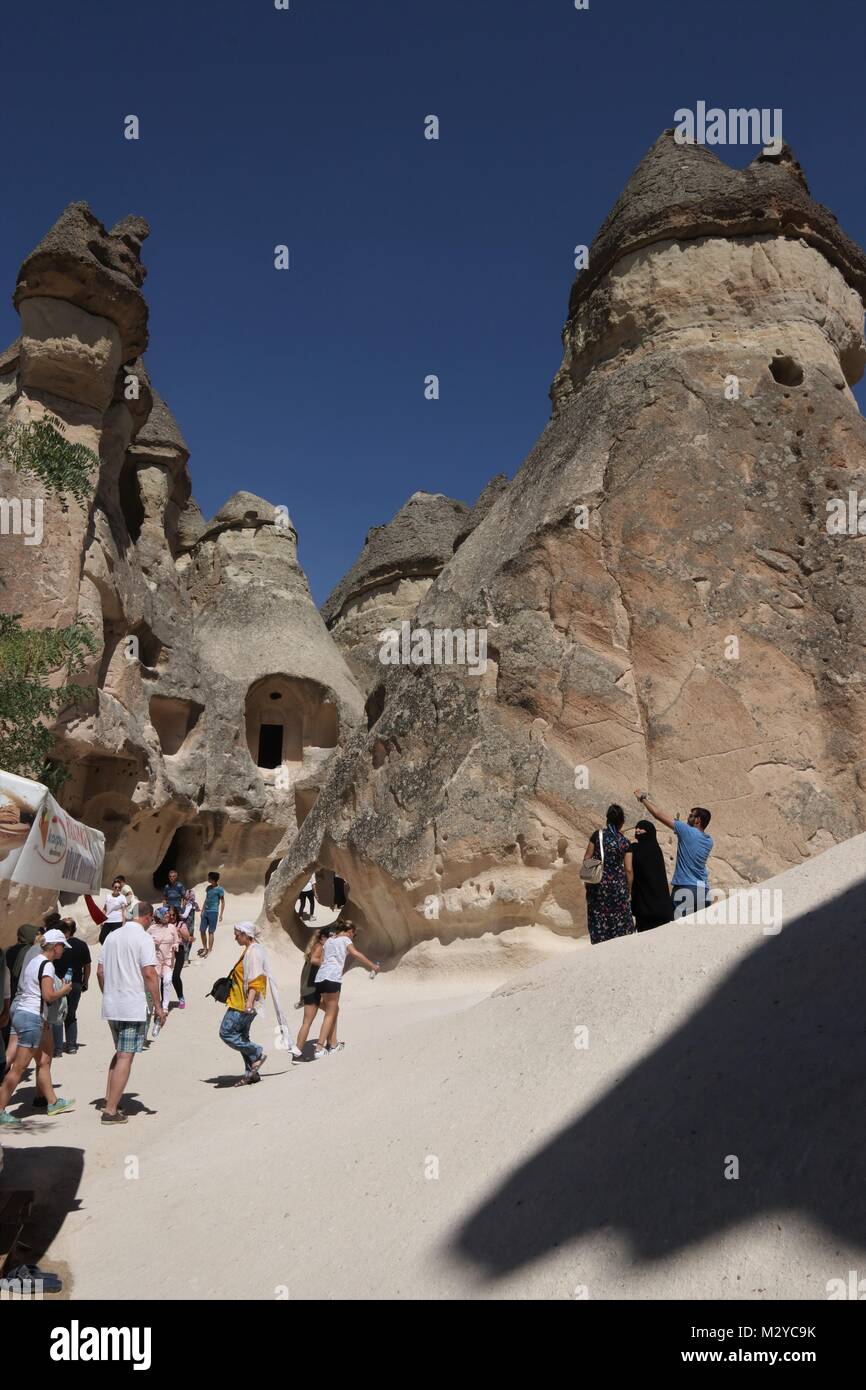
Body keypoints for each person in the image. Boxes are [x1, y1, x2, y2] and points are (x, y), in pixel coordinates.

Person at [98, 901, 165, 1124]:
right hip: (131, 1005)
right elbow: (149, 973)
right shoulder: (144, 938)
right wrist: (158, 1005)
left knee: (119, 1052)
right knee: (126, 1056)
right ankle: (110, 1111)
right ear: (147, 917)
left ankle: (110, 1097)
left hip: (113, 1004)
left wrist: (108, 993)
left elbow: (100, 971)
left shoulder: (111, 937)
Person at [0, 929, 76, 1125]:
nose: (63, 951)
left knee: (43, 1060)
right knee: (19, 1068)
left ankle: (52, 1102)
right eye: (62, 947)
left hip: (25, 1014)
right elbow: (49, 995)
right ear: (56, 946)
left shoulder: (34, 960)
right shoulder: (48, 966)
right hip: (31, 1017)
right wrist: (65, 990)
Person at [219, 922, 292, 1085]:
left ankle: (257, 1052)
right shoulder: (250, 950)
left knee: (226, 1032)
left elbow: (256, 980)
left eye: (237, 934)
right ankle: (251, 1073)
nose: (235, 937)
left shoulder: (254, 952)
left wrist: (250, 1002)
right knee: (242, 1037)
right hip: (242, 1001)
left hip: (243, 1003)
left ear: (246, 935)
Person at [634, 790, 713, 920]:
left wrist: (642, 799)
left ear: (698, 820)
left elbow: (658, 814)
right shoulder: (709, 840)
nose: (688, 818)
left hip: (685, 889)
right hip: (702, 890)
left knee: (676, 931)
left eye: (691, 816)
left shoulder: (686, 830)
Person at [306, 922, 378, 1059]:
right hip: (332, 978)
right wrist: (372, 965)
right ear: (349, 931)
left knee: (333, 1011)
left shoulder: (328, 942)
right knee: (330, 1014)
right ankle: (320, 1048)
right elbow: (355, 953)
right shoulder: (345, 940)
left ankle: (333, 1044)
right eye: (353, 934)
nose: (353, 937)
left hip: (321, 977)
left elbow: (323, 960)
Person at [582, 804, 635, 944]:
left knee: (598, 915)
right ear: (622, 822)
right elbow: (628, 869)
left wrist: (588, 879)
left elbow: (587, 858)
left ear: (607, 819)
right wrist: (628, 890)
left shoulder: (597, 836)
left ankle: (600, 944)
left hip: (598, 884)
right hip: (618, 887)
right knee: (619, 917)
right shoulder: (625, 842)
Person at [146, 906, 188, 1035]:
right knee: (154, 984)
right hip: (155, 961)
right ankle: (152, 1005)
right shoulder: (151, 929)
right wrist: (151, 944)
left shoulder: (172, 928)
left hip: (168, 961)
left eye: (168, 915)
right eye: (165, 915)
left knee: (168, 980)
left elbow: (177, 940)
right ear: (159, 915)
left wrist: (175, 945)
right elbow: (144, 942)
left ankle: (164, 1007)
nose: (168, 916)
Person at [54, 919, 91, 1054]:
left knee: (57, 1014)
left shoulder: (56, 945)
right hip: (75, 983)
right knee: (71, 1014)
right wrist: (85, 981)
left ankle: (57, 1048)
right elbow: (87, 965)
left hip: (58, 983)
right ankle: (71, 1046)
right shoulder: (81, 945)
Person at [629, 820, 672, 933]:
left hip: (646, 908)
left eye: (641, 828)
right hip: (657, 906)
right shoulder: (655, 849)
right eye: (636, 827)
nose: (637, 830)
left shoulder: (636, 849)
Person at [199, 872, 225, 956]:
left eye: (209, 878)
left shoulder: (220, 889)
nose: (208, 879)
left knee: (211, 932)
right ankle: (205, 948)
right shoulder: (208, 888)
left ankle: (209, 950)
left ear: (213, 879)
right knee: (202, 930)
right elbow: (206, 899)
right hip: (205, 912)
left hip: (214, 912)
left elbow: (223, 902)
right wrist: (202, 910)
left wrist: (221, 914)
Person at [99, 877, 129, 945]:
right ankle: (107, 950)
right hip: (108, 920)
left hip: (117, 921)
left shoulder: (122, 897)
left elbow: (124, 911)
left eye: (119, 887)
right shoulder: (108, 896)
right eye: (115, 887)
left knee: (117, 940)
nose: (117, 889)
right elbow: (105, 909)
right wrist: (101, 920)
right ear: (112, 887)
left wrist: (124, 923)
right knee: (101, 938)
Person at [180, 887, 199, 962]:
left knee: (185, 942)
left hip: (186, 927)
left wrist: (179, 914)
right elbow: (198, 909)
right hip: (192, 927)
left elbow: (185, 915)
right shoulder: (194, 904)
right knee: (189, 941)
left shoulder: (189, 905)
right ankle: (187, 958)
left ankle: (185, 959)